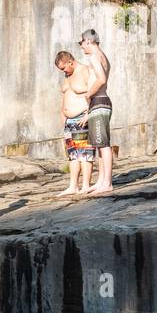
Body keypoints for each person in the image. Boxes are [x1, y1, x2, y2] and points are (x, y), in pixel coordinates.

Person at [54, 49, 103, 196]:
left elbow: (95, 93)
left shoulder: (85, 71)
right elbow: (65, 96)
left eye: (64, 68)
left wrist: (89, 114)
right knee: (73, 155)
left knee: (85, 154)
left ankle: (85, 185)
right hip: (69, 122)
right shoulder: (67, 75)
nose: (63, 71)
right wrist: (63, 116)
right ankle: (73, 186)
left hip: (81, 118)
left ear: (70, 61)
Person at [80, 29, 114, 195]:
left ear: (87, 41)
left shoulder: (94, 57)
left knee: (103, 145)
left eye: (81, 43)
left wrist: (88, 94)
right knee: (99, 144)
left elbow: (101, 79)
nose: (81, 47)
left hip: (99, 101)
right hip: (99, 103)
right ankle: (101, 181)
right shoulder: (103, 56)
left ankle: (107, 182)